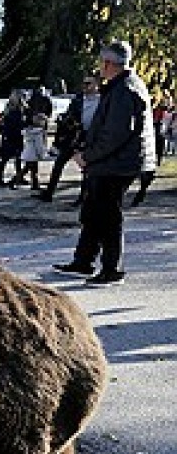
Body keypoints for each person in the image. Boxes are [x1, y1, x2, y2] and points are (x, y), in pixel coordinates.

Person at [55, 40, 155, 286]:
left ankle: (112, 268)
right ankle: (83, 261)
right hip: (110, 163)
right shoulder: (121, 86)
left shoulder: (125, 90)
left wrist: (88, 156)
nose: (100, 67)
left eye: (102, 63)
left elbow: (115, 134)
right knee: (93, 212)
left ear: (110, 64)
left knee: (108, 216)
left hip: (118, 165)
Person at [38, 76, 99, 202]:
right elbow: (69, 114)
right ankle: (49, 193)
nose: (85, 86)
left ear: (96, 85)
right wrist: (66, 121)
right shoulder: (78, 99)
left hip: (90, 136)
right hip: (74, 135)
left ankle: (83, 197)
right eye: (84, 83)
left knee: (86, 166)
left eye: (88, 83)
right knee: (59, 163)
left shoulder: (102, 100)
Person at [9, 112, 47, 190]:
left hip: (28, 152)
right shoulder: (38, 132)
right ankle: (14, 181)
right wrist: (41, 154)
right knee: (28, 170)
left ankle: (34, 184)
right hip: (34, 153)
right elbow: (39, 145)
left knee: (32, 169)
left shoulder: (29, 130)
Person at [0, 94, 25, 185]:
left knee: (17, 159)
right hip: (10, 137)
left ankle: (18, 177)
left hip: (14, 137)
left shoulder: (16, 111)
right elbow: (0, 124)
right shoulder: (9, 112)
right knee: (6, 158)